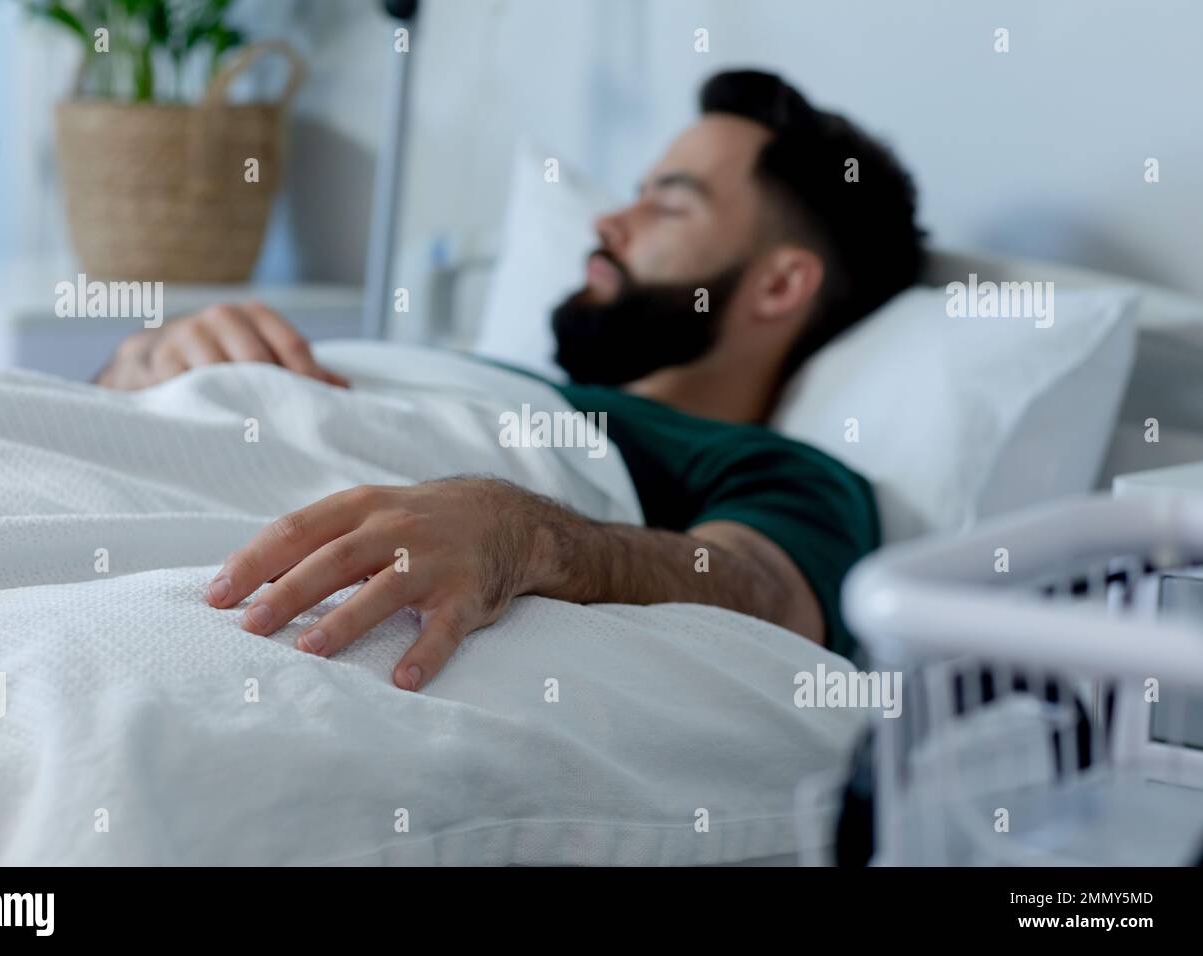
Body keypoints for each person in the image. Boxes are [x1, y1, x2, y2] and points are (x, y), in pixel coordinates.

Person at [96, 70, 925, 691]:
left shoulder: (781, 470)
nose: (608, 221)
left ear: (781, 285)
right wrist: (150, 357)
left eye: (668, 206)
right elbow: (96, 402)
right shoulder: (475, 374)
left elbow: (764, 591)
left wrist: (523, 530)